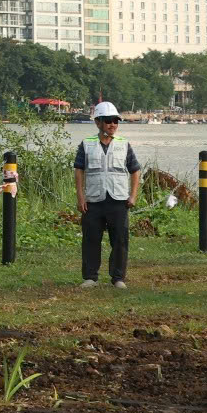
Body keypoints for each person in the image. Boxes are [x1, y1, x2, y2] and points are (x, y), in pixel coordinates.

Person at [73, 101, 141, 288]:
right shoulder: (86, 144)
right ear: (98, 122)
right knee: (91, 239)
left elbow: (135, 170)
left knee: (120, 240)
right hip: (93, 199)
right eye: (108, 120)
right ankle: (90, 277)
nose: (113, 124)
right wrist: (80, 197)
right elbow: (79, 170)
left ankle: (118, 278)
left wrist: (133, 195)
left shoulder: (124, 144)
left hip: (118, 200)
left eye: (116, 121)